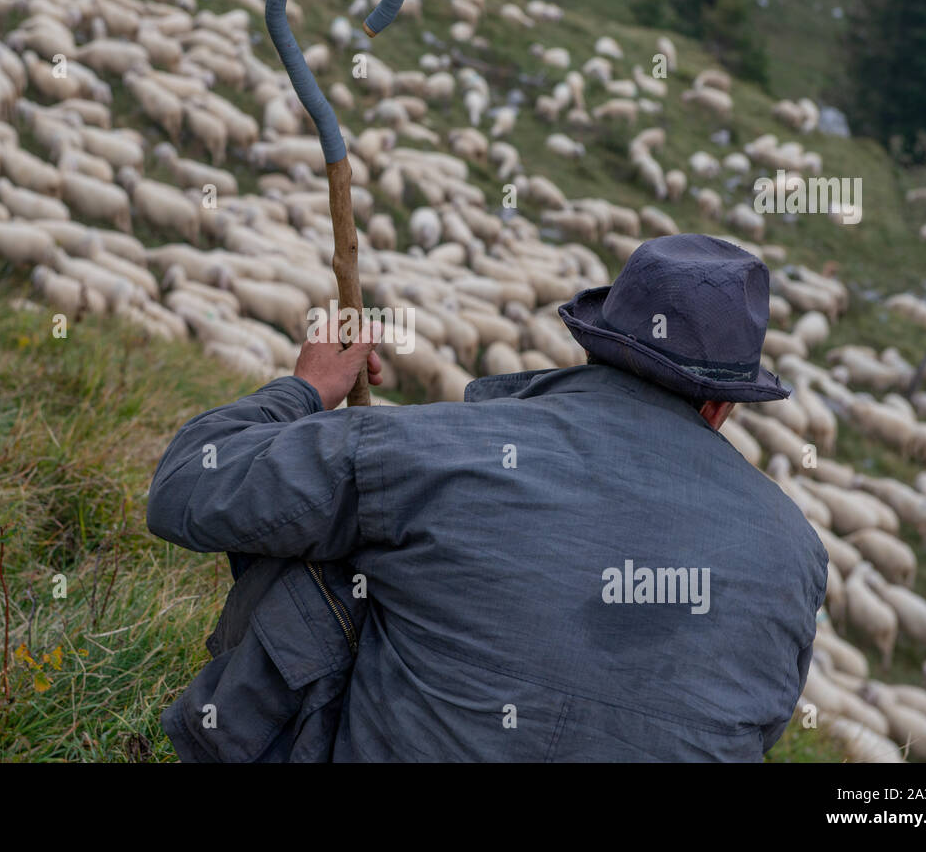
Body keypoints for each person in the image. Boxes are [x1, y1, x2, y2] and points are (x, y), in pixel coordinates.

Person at [148, 234, 828, 761]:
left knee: (340, 548)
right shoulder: (796, 555)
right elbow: (758, 727)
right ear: (721, 408)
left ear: (595, 346)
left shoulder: (443, 448)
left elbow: (185, 485)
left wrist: (308, 393)